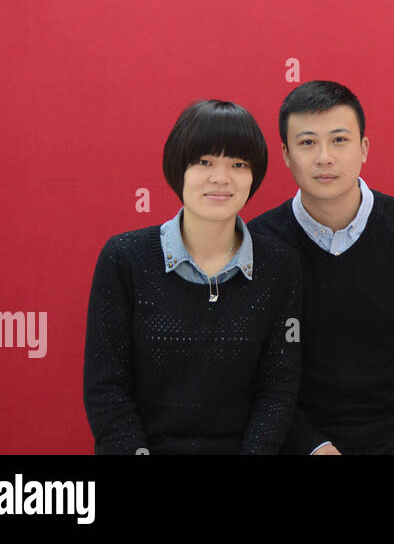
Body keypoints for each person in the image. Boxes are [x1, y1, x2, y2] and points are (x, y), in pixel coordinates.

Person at [249, 80, 394, 454]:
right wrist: (311, 445)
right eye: (307, 143)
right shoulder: (261, 244)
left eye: (339, 140)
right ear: (287, 155)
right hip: (297, 440)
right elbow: (256, 368)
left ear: (363, 148)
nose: (324, 157)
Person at [83, 100, 301, 454]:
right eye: (204, 162)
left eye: (238, 164)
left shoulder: (279, 265)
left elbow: (278, 386)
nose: (221, 177)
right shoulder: (124, 258)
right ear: (177, 167)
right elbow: (106, 388)